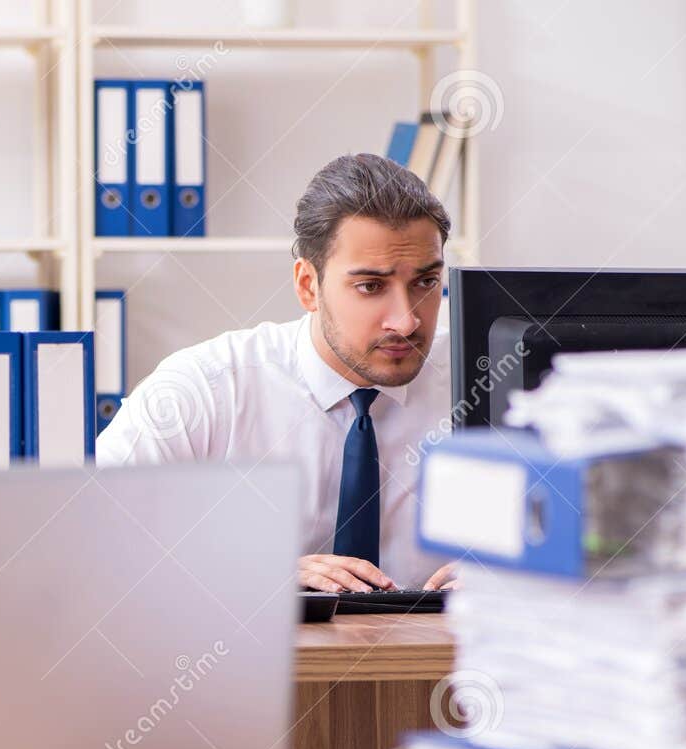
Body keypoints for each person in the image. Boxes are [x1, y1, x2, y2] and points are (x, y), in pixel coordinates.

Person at [96, 152, 458, 594]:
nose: (406, 321)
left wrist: (520, 578)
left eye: (424, 283)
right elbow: (91, 545)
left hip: (431, 659)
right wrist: (255, 572)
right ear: (308, 286)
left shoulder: (491, 386)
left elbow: (563, 538)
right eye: (371, 287)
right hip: (241, 659)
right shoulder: (202, 391)